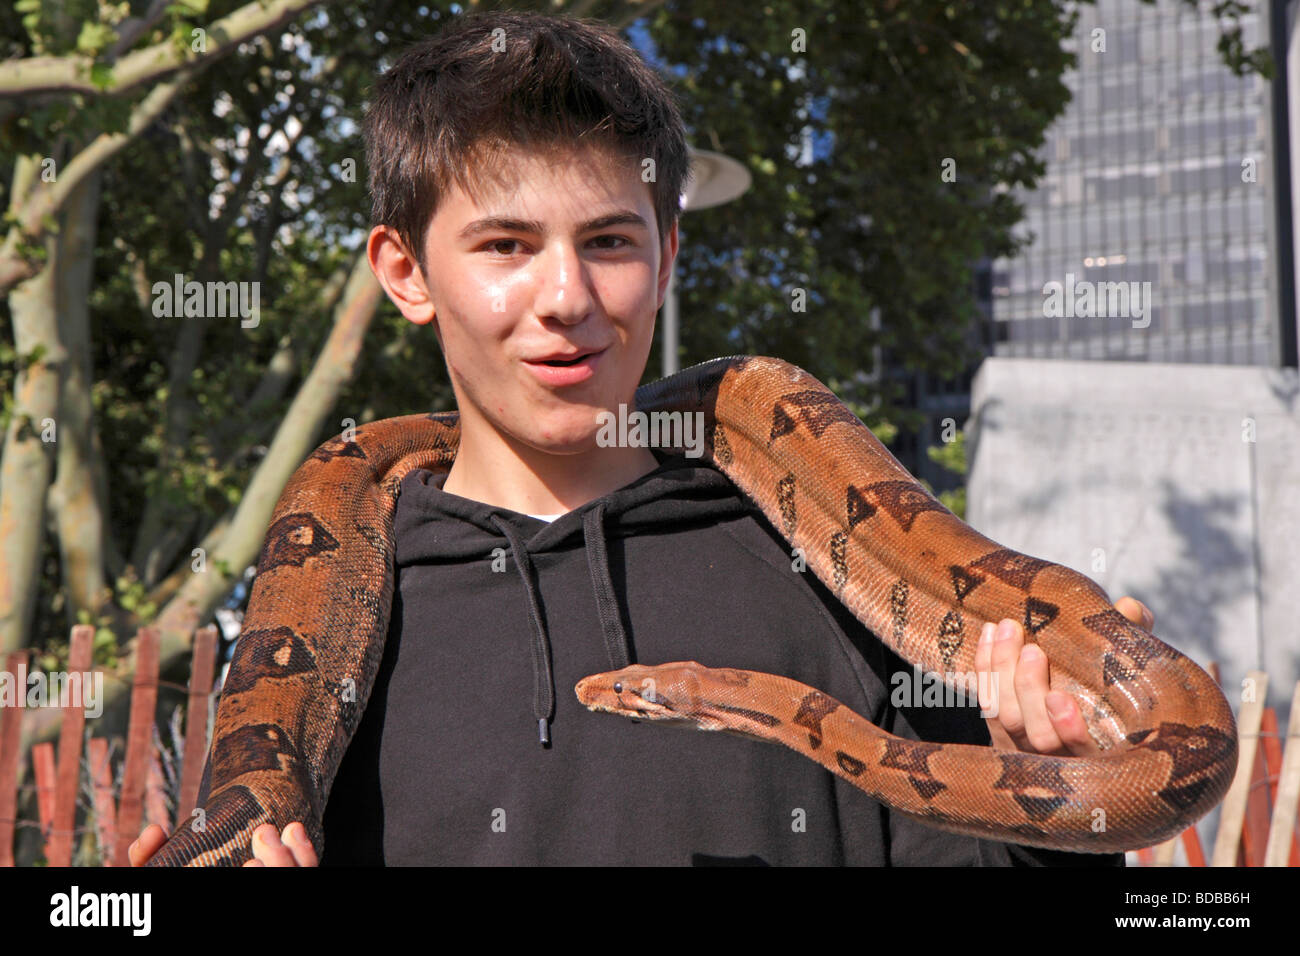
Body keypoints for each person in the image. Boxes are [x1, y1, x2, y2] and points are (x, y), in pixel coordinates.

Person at [133, 10, 1153, 867]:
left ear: (666, 259)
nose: (567, 298)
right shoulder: (340, 615)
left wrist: (1048, 805)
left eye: (608, 242)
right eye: (505, 246)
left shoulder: (823, 582)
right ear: (404, 272)